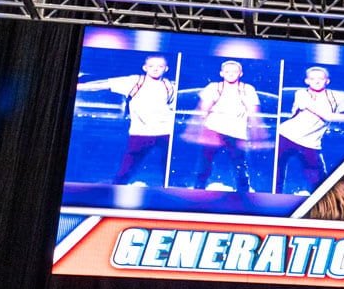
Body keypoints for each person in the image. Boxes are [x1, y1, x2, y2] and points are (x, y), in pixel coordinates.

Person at [77, 55, 177, 186]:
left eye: (160, 66)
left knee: (167, 167)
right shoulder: (134, 81)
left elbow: (171, 106)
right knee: (127, 167)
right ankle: (115, 190)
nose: (155, 69)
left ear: (166, 69)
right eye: (151, 66)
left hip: (165, 132)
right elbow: (105, 85)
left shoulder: (170, 86)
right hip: (141, 133)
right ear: (145, 68)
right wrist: (77, 86)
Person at [275, 67, 344, 194]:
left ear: (327, 81)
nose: (317, 81)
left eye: (320, 78)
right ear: (307, 81)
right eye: (313, 78)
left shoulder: (335, 97)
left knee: (320, 183)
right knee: (277, 175)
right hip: (285, 137)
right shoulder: (301, 94)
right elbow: (327, 116)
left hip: (311, 144)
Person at [193, 60, 261, 192]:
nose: (231, 74)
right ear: (221, 73)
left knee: (240, 166)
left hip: (237, 132)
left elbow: (253, 111)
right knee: (204, 164)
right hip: (213, 129)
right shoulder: (214, 87)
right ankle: (198, 191)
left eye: (234, 71)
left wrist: (256, 132)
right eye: (227, 71)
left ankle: (243, 195)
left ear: (240, 73)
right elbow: (204, 107)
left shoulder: (248, 89)